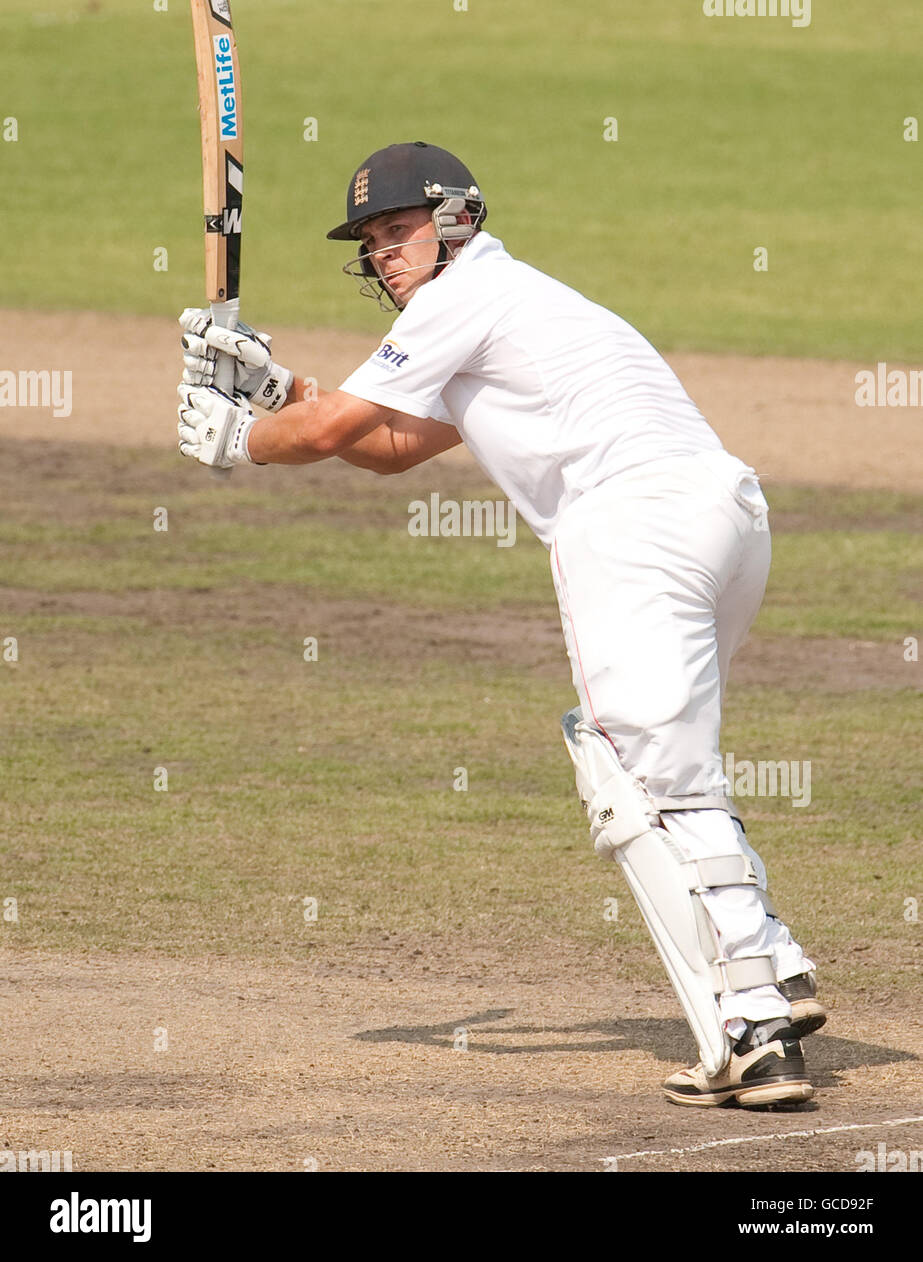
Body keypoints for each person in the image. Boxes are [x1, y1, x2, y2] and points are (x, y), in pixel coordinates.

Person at [177, 140, 825, 1108]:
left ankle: (752, 1022)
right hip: (726, 520)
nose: (383, 255)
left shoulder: (459, 298)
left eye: (395, 231)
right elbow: (388, 439)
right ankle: (762, 970)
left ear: (453, 220)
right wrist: (273, 393)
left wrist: (235, 438)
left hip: (631, 527)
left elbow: (326, 435)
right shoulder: (506, 304)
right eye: (370, 243)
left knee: (633, 773)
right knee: (665, 766)